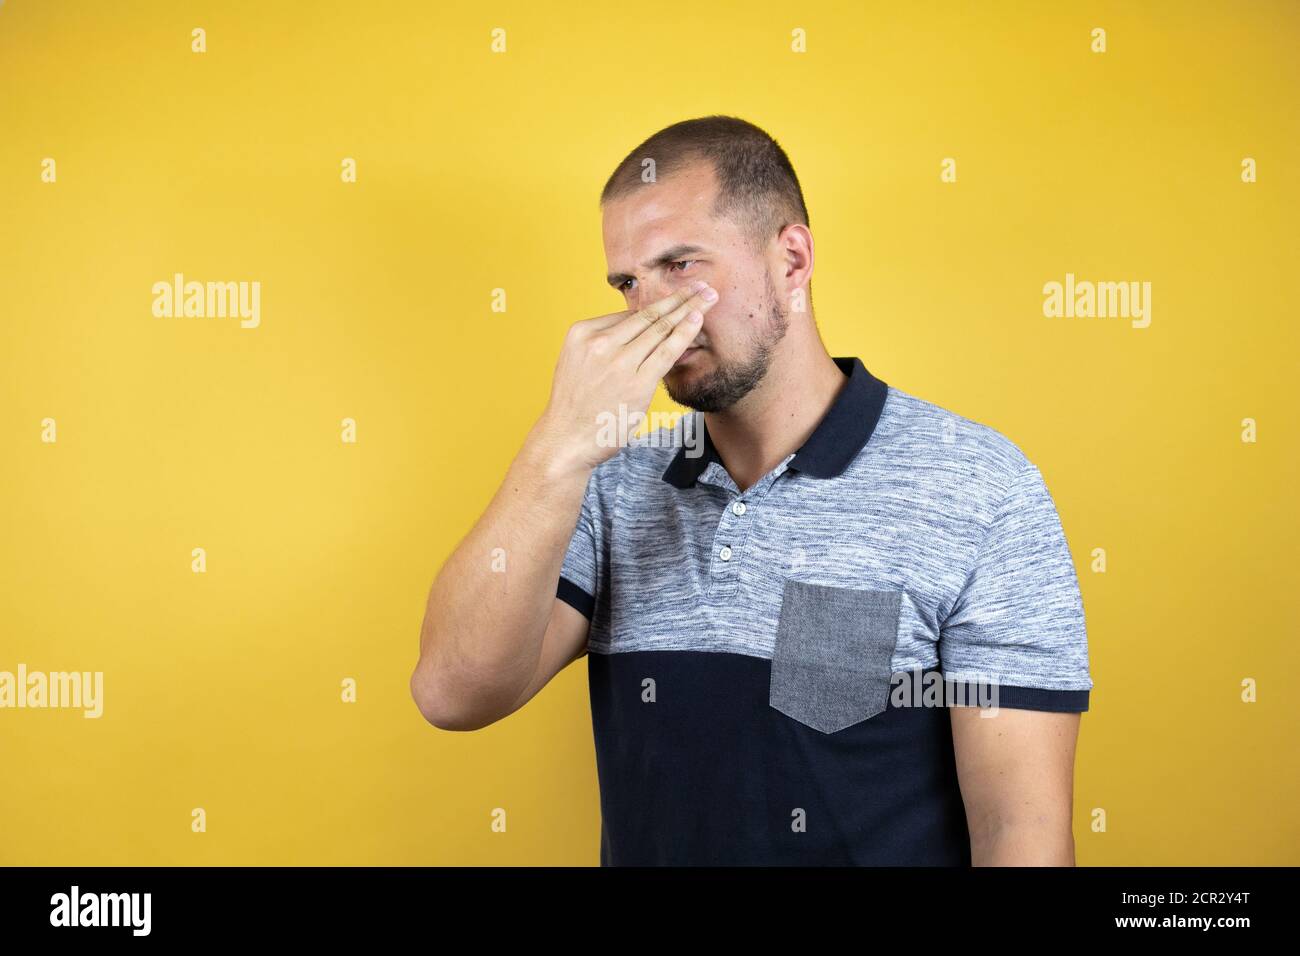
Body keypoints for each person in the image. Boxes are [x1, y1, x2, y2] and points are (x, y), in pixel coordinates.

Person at [411, 114, 1094, 865]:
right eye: (628, 282)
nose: (650, 311)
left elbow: (1019, 836)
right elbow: (453, 694)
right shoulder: (607, 486)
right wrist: (557, 449)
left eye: (681, 266)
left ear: (792, 260)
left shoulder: (979, 486)